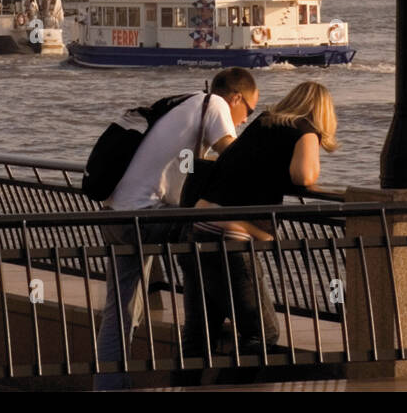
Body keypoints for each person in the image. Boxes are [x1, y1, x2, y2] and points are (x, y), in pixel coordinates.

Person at [93, 67, 258, 390]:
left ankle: (110, 386)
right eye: (249, 111)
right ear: (236, 97)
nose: (244, 120)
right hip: (144, 217)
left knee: (120, 310)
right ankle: (218, 317)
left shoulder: (186, 103)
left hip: (115, 213)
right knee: (213, 227)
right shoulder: (217, 106)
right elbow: (235, 158)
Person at [180, 81, 338, 359]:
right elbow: (304, 176)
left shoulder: (262, 122)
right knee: (262, 334)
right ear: (323, 112)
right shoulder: (305, 130)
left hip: (197, 228)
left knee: (201, 332)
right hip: (228, 240)